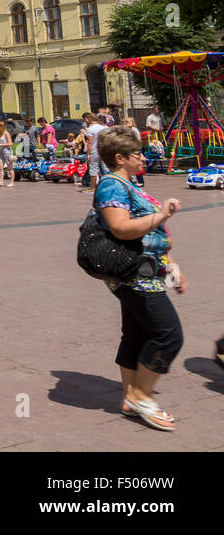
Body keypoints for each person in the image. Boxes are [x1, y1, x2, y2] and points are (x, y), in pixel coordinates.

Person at [94, 126, 183, 430]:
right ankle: (143, 397)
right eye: (137, 154)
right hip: (134, 275)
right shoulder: (112, 185)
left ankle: (130, 398)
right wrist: (162, 214)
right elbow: (120, 228)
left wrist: (170, 264)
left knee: (136, 334)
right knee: (169, 334)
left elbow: (149, 235)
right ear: (120, 158)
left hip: (145, 270)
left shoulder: (127, 183)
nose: (143, 157)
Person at [0, 120, 15, 188]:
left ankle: (12, 182)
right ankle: (1, 181)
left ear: (1, 127)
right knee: (0, 167)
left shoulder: (6, 133)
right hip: (0, 151)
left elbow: (10, 143)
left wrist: (0, 144)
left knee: (10, 167)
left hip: (7, 151)